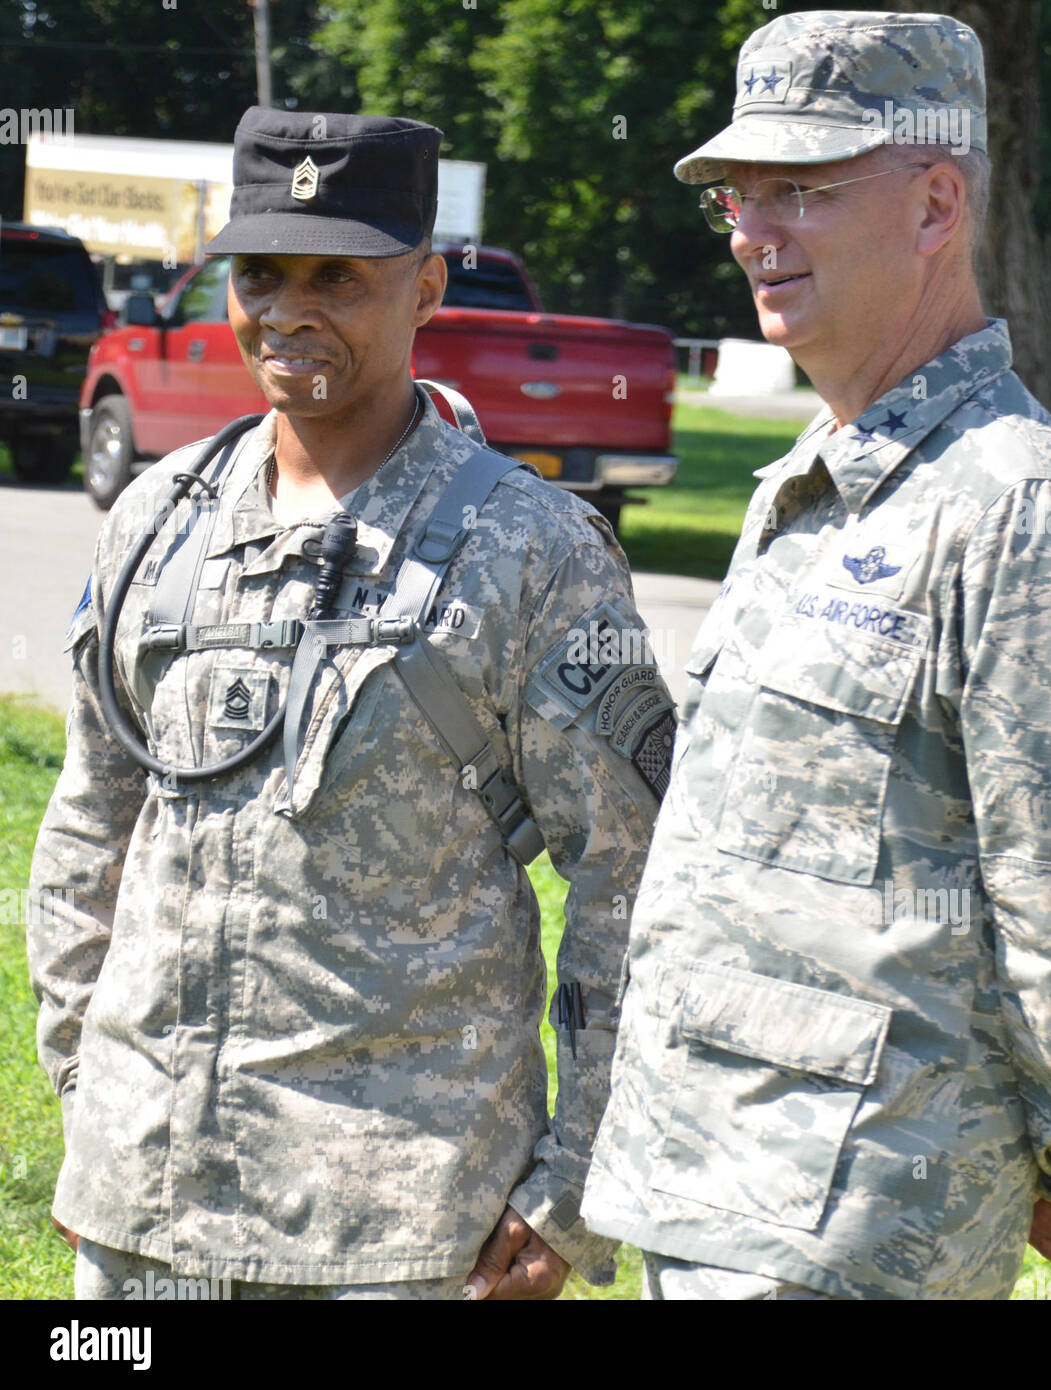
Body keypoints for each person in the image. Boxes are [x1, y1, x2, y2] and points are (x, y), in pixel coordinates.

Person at [581, 10, 1051, 1299]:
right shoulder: (807, 490)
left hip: (856, 1233)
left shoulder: (1021, 508)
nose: (754, 231)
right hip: (711, 1195)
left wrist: (1044, 1153)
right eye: (738, 198)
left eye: (801, 190)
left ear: (935, 206)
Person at [27, 108, 675, 1300]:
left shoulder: (531, 548)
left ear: (426, 286)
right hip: (145, 1214)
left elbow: (634, 881)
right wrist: (93, 1102)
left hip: (402, 1231)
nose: (287, 308)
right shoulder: (159, 518)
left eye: (340, 274)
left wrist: (577, 1178)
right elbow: (88, 827)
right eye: (262, 272)